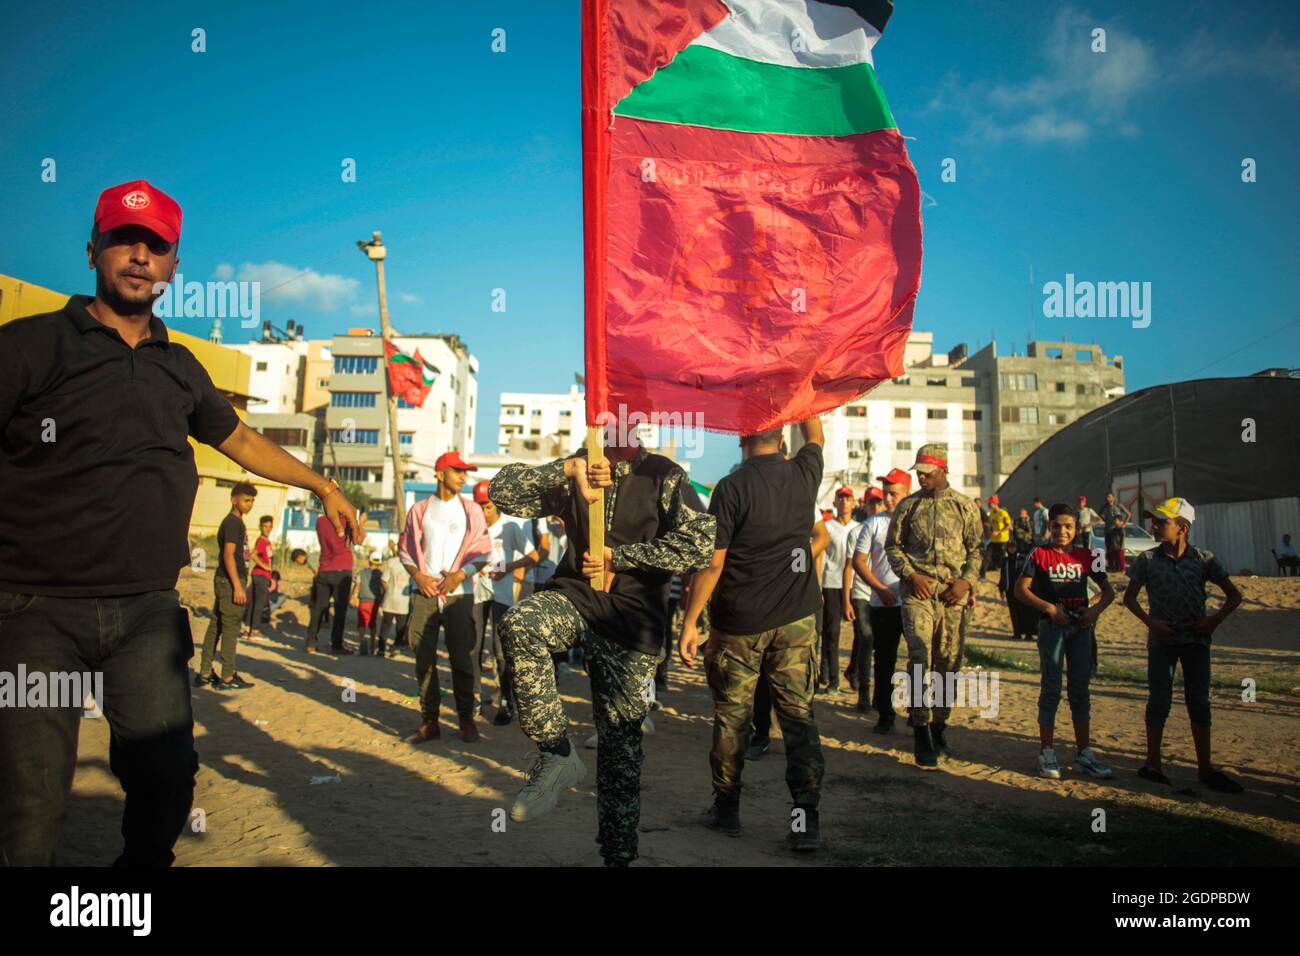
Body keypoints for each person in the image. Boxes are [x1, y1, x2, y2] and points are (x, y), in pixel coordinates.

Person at [0, 178, 361, 866]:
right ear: (92, 251)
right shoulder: (29, 346)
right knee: (30, 804)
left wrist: (321, 485)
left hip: (146, 613)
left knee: (166, 781)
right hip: (34, 612)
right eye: (122, 240)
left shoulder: (182, 367)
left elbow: (245, 443)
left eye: (155, 246)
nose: (138, 256)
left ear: (173, 266)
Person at [490, 425, 714, 868]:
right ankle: (556, 754)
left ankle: (618, 857)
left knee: (620, 750)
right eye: (606, 413)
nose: (615, 424)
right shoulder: (580, 466)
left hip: (633, 623)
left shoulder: (664, 476)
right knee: (521, 625)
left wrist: (622, 558)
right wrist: (565, 468)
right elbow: (504, 493)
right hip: (575, 598)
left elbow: (701, 545)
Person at [679, 418, 829, 852]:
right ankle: (805, 823)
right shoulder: (805, 472)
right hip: (797, 620)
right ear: (782, 440)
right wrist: (805, 402)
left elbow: (713, 563)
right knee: (799, 719)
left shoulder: (730, 487)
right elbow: (816, 437)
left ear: (742, 440)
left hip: (739, 623)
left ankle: (726, 811)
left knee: (732, 719)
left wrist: (690, 622)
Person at [1123, 498, 1244, 793]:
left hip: (1196, 642)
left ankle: (1205, 768)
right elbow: (1129, 599)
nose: (1154, 526)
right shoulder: (1147, 560)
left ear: (1183, 528)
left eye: (1161, 522)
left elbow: (1234, 596)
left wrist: (1212, 621)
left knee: (1199, 702)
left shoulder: (1204, 560)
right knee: (1159, 700)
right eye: (1154, 521)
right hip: (1161, 643)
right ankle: (1153, 763)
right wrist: (1152, 623)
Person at [885, 443, 983, 769]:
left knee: (948, 663)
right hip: (918, 594)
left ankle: (940, 724)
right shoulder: (908, 507)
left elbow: (976, 551)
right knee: (919, 655)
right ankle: (921, 728)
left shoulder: (965, 507)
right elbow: (893, 547)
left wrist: (966, 582)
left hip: (952, 596)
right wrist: (912, 575)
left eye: (927, 473)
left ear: (942, 470)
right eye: (919, 473)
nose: (922, 478)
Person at [1014, 504, 1116, 779]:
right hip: (1052, 630)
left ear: (1076, 528)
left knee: (1080, 691)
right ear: (1050, 526)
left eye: (1068, 526)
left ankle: (1084, 754)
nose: (1062, 531)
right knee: (1051, 690)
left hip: (1081, 629)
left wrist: (1092, 611)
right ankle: (1046, 752)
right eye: (1057, 526)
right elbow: (1020, 590)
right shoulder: (1039, 554)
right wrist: (1048, 608)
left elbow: (1108, 592)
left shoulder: (1088, 556)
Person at [399, 451, 493, 744]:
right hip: (425, 593)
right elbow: (406, 550)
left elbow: (484, 553)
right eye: (457, 471)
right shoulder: (420, 509)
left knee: (462, 659)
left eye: (465, 472)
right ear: (440, 474)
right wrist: (418, 577)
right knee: (423, 659)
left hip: (460, 594)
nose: (463, 476)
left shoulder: (471, 511)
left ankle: (466, 719)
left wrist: (458, 576)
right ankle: (430, 721)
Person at [845, 468, 909, 732]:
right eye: (886, 494)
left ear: (906, 494)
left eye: (894, 494)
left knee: (920, 660)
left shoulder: (916, 523)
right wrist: (880, 588)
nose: (889, 499)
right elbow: (858, 562)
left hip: (914, 603)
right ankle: (885, 713)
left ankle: (919, 716)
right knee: (884, 661)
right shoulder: (874, 524)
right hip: (882, 604)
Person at [479, 480, 542, 726]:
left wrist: (508, 568)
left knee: (500, 651)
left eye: (487, 507)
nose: (484, 512)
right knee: (473, 649)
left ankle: (507, 702)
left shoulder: (511, 527)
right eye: (480, 506)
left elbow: (535, 555)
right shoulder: (472, 528)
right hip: (474, 595)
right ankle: (473, 699)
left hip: (501, 597)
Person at [196, 484, 258, 689]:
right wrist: (238, 587)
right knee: (231, 627)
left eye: (251, 501)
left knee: (217, 624)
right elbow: (228, 555)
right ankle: (228, 677)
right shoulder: (233, 523)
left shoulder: (235, 522)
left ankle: (205, 673)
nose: (249, 504)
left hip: (225, 580)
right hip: (230, 581)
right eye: (246, 500)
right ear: (234, 500)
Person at [817, 487, 859, 694]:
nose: (844, 502)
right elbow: (820, 557)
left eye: (848, 498)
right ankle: (831, 678)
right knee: (831, 633)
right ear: (835, 502)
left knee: (862, 634)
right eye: (841, 498)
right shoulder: (827, 527)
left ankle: (853, 671)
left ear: (854, 503)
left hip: (855, 586)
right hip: (831, 583)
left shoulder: (859, 528)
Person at [843, 486, 884, 692]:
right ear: (865, 506)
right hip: (861, 593)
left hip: (882, 594)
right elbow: (849, 567)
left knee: (871, 640)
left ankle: (854, 671)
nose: (876, 507)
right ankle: (864, 692)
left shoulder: (890, 527)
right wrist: (847, 599)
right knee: (866, 637)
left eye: (879, 502)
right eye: (872, 503)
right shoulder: (856, 532)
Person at [307, 510, 360, 655]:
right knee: (340, 610)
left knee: (318, 608)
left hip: (324, 568)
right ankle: (336, 645)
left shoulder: (320, 521)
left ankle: (311, 642)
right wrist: (362, 522)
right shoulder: (346, 521)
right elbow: (358, 539)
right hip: (342, 569)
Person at [244, 513, 275, 642]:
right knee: (259, 604)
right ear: (260, 527)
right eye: (265, 526)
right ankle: (254, 631)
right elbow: (253, 555)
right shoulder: (262, 540)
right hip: (260, 575)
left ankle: (247, 628)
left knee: (255, 603)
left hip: (263, 576)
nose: (267, 529)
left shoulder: (267, 541)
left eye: (269, 526)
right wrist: (265, 567)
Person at [998, 541, 1035, 641]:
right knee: (1014, 613)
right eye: (1010, 547)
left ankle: (1028, 634)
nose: (1011, 549)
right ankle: (1017, 633)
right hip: (1009, 590)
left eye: (1013, 547)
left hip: (1022, 590)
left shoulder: (1022, 559)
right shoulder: (1005, 561)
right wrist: (1001, 588)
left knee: (1025, 611)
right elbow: (1003, 575)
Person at [377, 547, 410, 658]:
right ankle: (396, 647)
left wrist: (389, 590)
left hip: (390, 600)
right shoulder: (413, 564)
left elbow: (384, 580)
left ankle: (381, 649)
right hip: (404, 602)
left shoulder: (391, 562)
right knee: (400, 628)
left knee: (385, 626)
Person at [353, 551, 383, 655]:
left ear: (369, 561)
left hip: (363, 601)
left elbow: (357, 584)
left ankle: (362, 641)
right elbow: (383, 588)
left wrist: (352, 596)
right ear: (380, 563)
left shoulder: (361, 573)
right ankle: (373, 646)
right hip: (375, 601)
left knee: (362, 622)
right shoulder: (380, 575)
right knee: (373, 623)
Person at [1100, 491, 1132, 572]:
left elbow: (1128, 514)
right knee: (1110, 551)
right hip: (1108, 531)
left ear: (1113, 498)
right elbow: (1100, 516)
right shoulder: (1104, 507)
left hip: (1117, 531)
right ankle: (1111, 568)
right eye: (1107, 497)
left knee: (1119, 550)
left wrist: (1124, 524)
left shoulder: (1118, 505)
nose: (1108, 499)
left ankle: (1120, 569)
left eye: (1109, 497)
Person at [985, 495, 1012, 585]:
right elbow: (991, 525)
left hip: (1003, 540)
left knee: (1004, 560)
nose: (989, 505)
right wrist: (990, 529)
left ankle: (1004, 579)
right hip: (994, 540)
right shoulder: (992, 514)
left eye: (990, 503)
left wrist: (999, 531)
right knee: (988, 555)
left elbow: (1008, 525)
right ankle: (982, 575)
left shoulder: (1003, 513)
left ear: (995, 503)